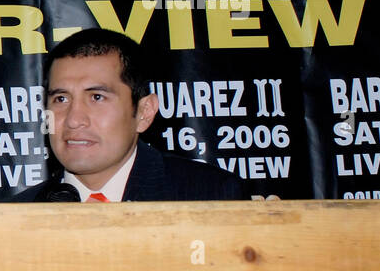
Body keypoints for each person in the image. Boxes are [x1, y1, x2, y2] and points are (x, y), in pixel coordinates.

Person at [16, 29, 247, 202]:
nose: (74, 119)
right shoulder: (16, 215)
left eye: (97, 97)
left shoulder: (210, 196)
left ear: (144, 112)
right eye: (61, 99)